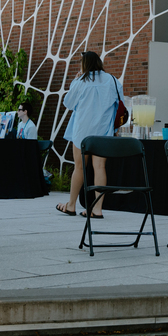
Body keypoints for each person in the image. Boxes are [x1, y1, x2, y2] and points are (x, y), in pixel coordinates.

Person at [57, 51, 123, 219]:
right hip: (104, 132)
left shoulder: (80, 81)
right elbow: (121, 104)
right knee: (100, 168)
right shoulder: (112, 80)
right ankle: (97, 209)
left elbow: (68, 103)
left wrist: (75, 80)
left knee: (79, 168)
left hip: (82, 133)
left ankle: (71, 205)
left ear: (84, 64)